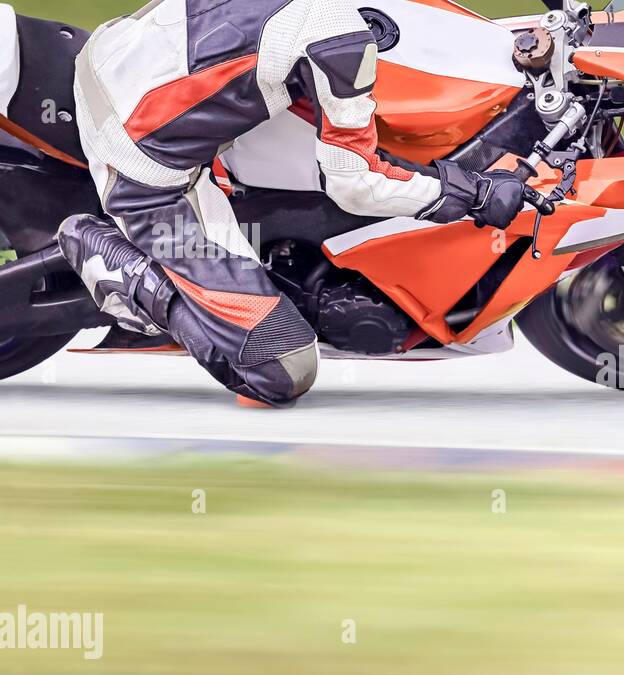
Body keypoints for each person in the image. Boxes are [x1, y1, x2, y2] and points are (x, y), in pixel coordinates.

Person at [57, 0, 527, 407]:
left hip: (110, 54)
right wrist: (473, 194)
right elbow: (354, 185)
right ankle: (118, 265)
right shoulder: (335, 32)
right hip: (143, 171)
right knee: (283, 370)